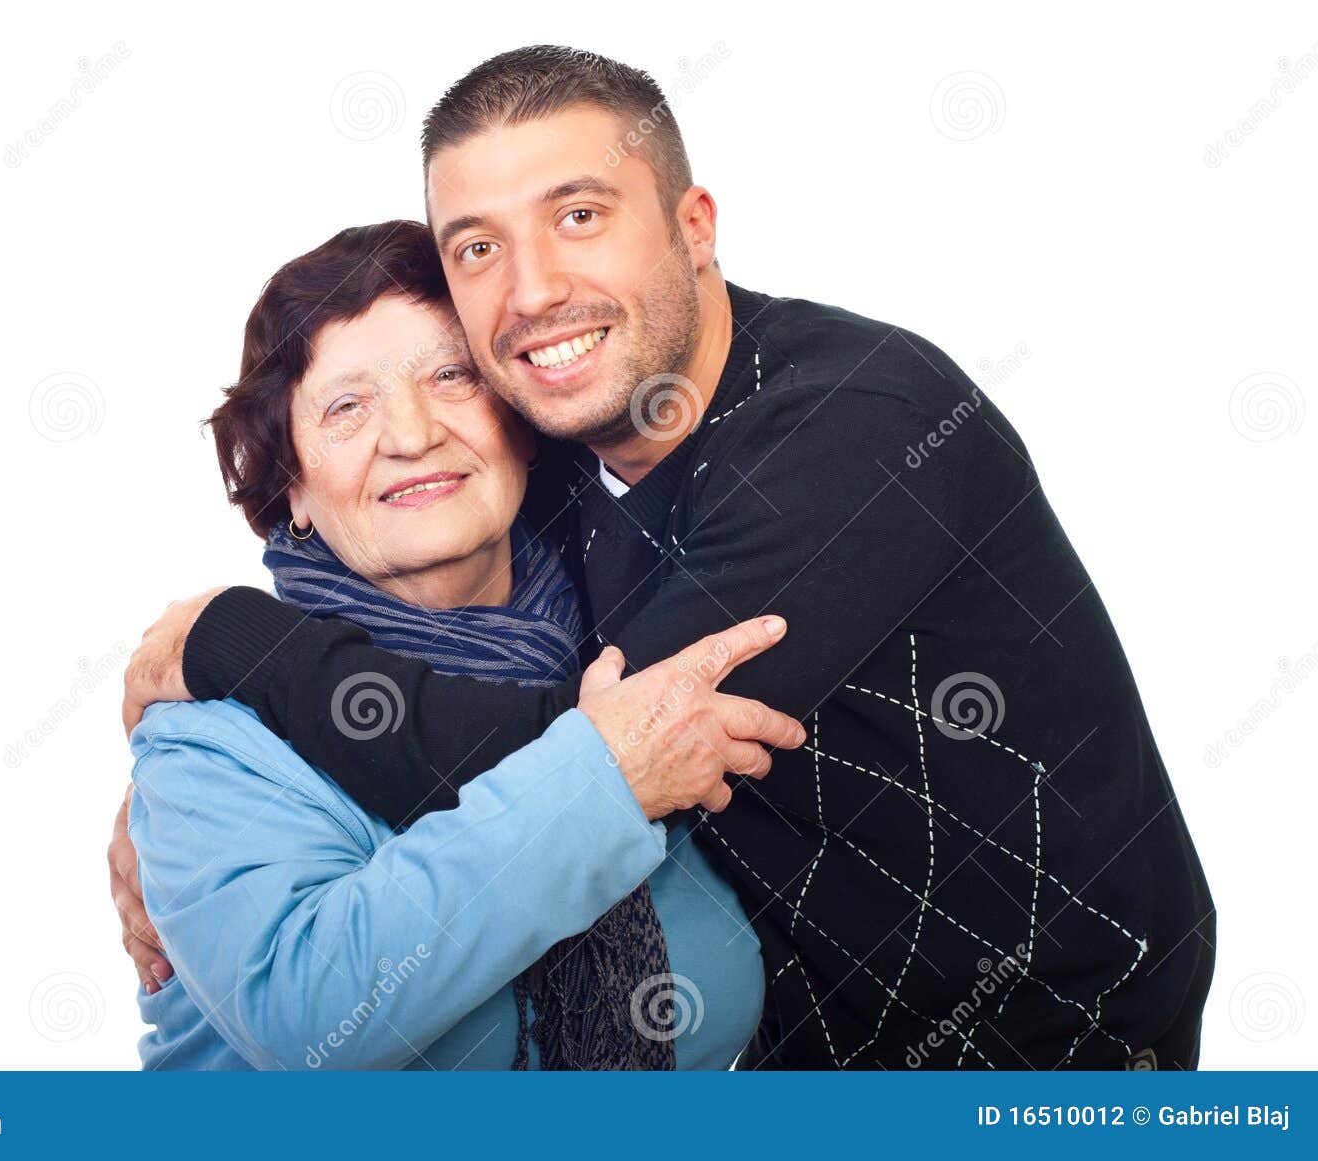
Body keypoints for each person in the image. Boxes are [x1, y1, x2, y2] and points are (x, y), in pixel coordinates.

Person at [116, 46, 1215, 1069]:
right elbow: (539, 733)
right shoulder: (550, 458)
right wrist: (185, 812)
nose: (533, 289)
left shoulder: (856, 427)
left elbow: (590, 755)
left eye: (580, 215)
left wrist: (234, 644)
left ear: (694, 227)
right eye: (478, 248)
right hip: (803, 1055)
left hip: (1048, 1048)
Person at [122, 219, 801, 1070]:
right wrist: (606, 774)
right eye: (346, 405)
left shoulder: (633, 648)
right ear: (290, 482)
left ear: (520, 418)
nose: (411, 434)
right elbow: (311, 1016)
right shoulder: (213, 740)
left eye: (451, 375)